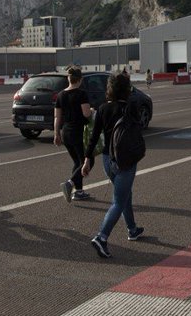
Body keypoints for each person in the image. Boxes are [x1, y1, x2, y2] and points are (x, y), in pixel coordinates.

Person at [82, 73, 144, 258]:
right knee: (118, 200)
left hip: (107, 160)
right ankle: (101, 237)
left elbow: (94, 137)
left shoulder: (102, 109)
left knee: (126, 194)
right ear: (127, 88)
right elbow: (138, 127)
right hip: (125, 160)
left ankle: (132, 229)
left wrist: (87, 159)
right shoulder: (130, 108)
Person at [55, 66, 93, 202]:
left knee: (77, 162)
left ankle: (79, 192)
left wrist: (56, 134)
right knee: (88, 161)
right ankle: (69, 184)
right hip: (78, 132)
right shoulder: (81, 94)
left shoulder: (60, 95)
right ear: (80, 79)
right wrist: (92, 111)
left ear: (68, 78)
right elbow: (86, 114)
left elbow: (57, 117)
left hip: (65, 132)